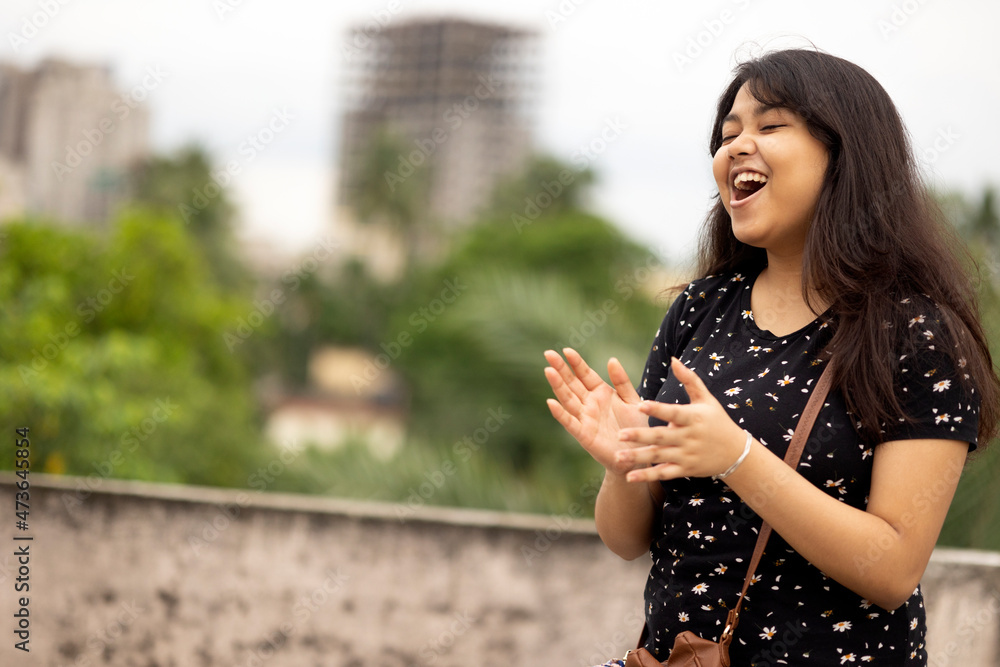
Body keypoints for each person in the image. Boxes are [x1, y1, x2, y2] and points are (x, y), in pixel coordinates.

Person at [544, 48, 999, 667]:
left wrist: (736, 458)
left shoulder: (913, 331)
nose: (737, 147)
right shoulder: (702, 307)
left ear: (845, 155)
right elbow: (626, 540)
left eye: (770, 126)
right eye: (728, 134)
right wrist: (624, 465)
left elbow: (892, 569)